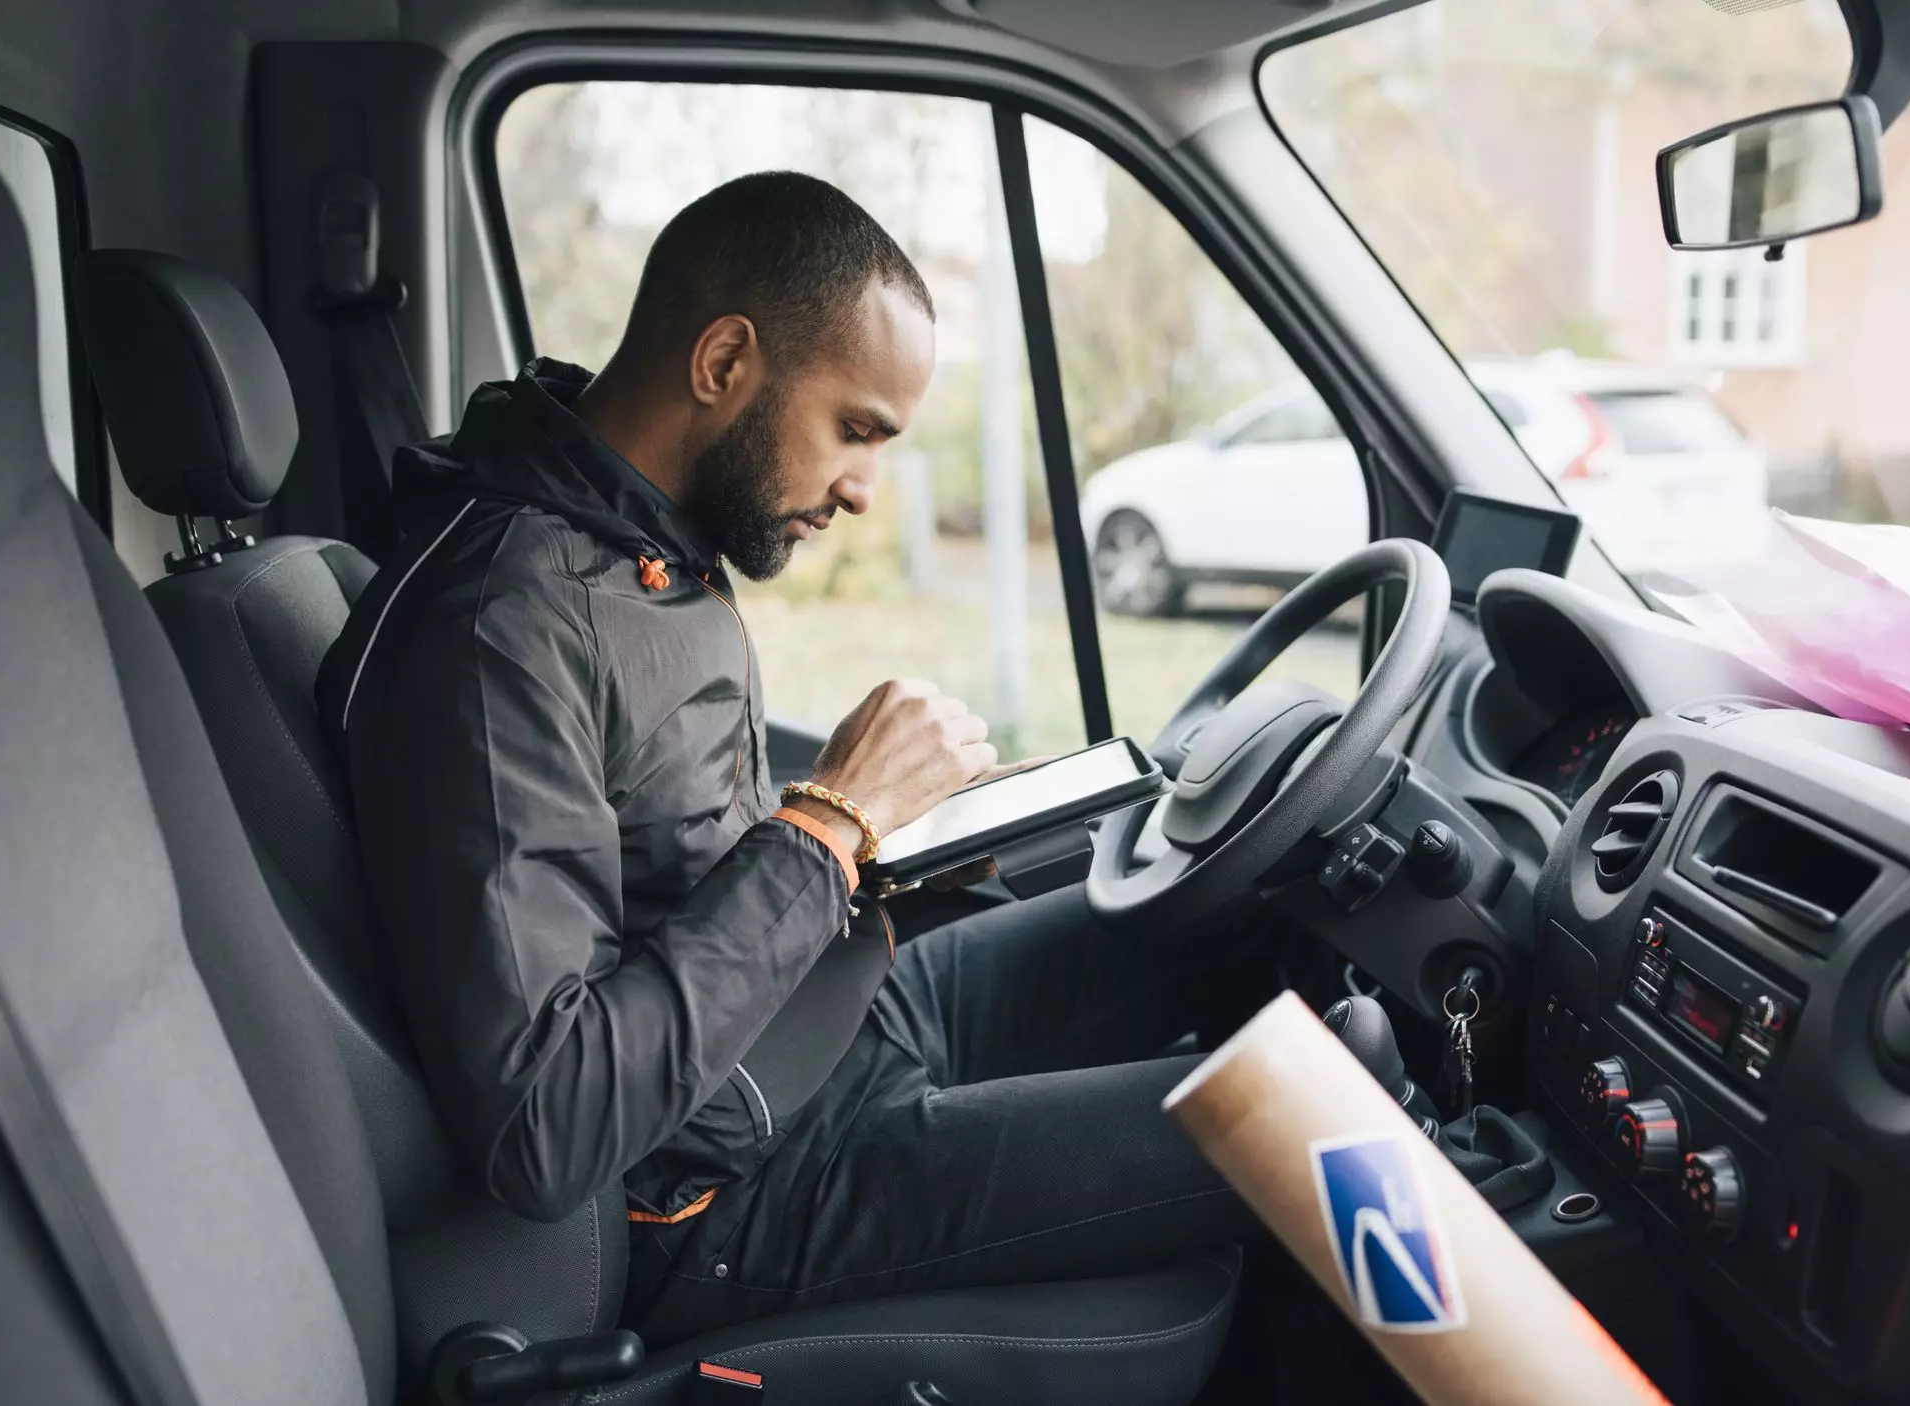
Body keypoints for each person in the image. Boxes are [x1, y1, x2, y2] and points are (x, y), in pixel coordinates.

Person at [318, 170, 1273, 1342]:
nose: (867, 488)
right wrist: (826, 825)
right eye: (856, 430)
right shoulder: (498, 627)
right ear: (724, 365)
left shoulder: (644, 536)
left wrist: (893, 834)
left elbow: (666, 855)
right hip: (721, 1193)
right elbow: (546, 1123)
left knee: (1245, 906)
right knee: (1308, 1132)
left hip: (823, 1012)